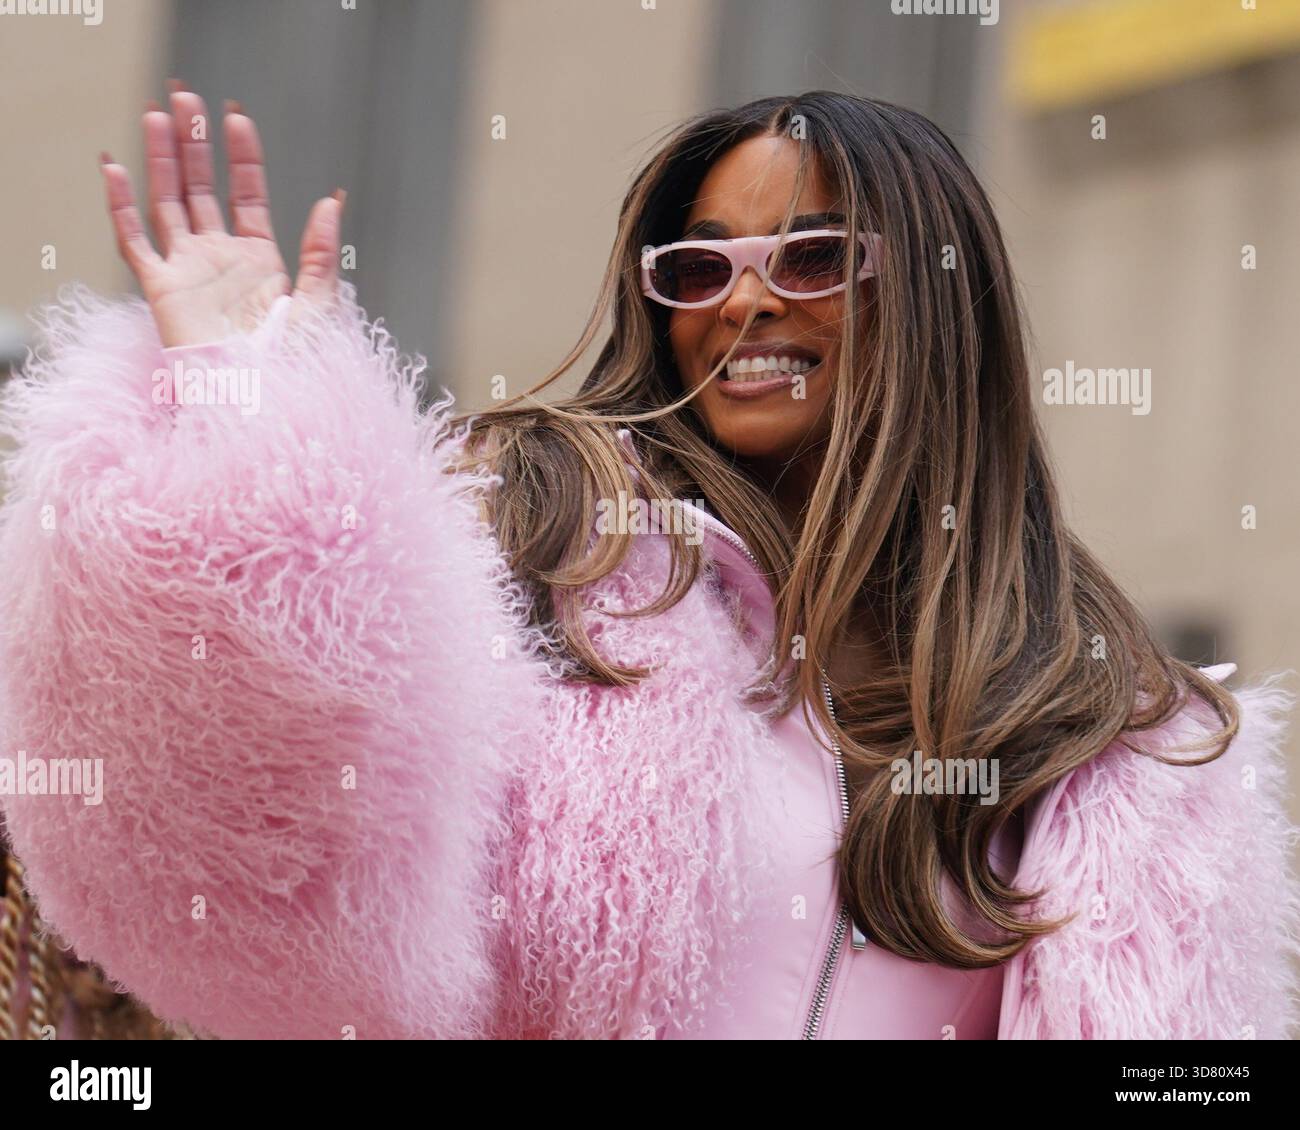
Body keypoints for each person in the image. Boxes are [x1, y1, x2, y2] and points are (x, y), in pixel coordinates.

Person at [0, 86, 1294, 1041]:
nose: (744, 302)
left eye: (810, 255)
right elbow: (272, 819)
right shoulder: (544, 536)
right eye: (698, 268)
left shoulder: (1104, 740)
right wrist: (246, 429)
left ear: (940, 296)